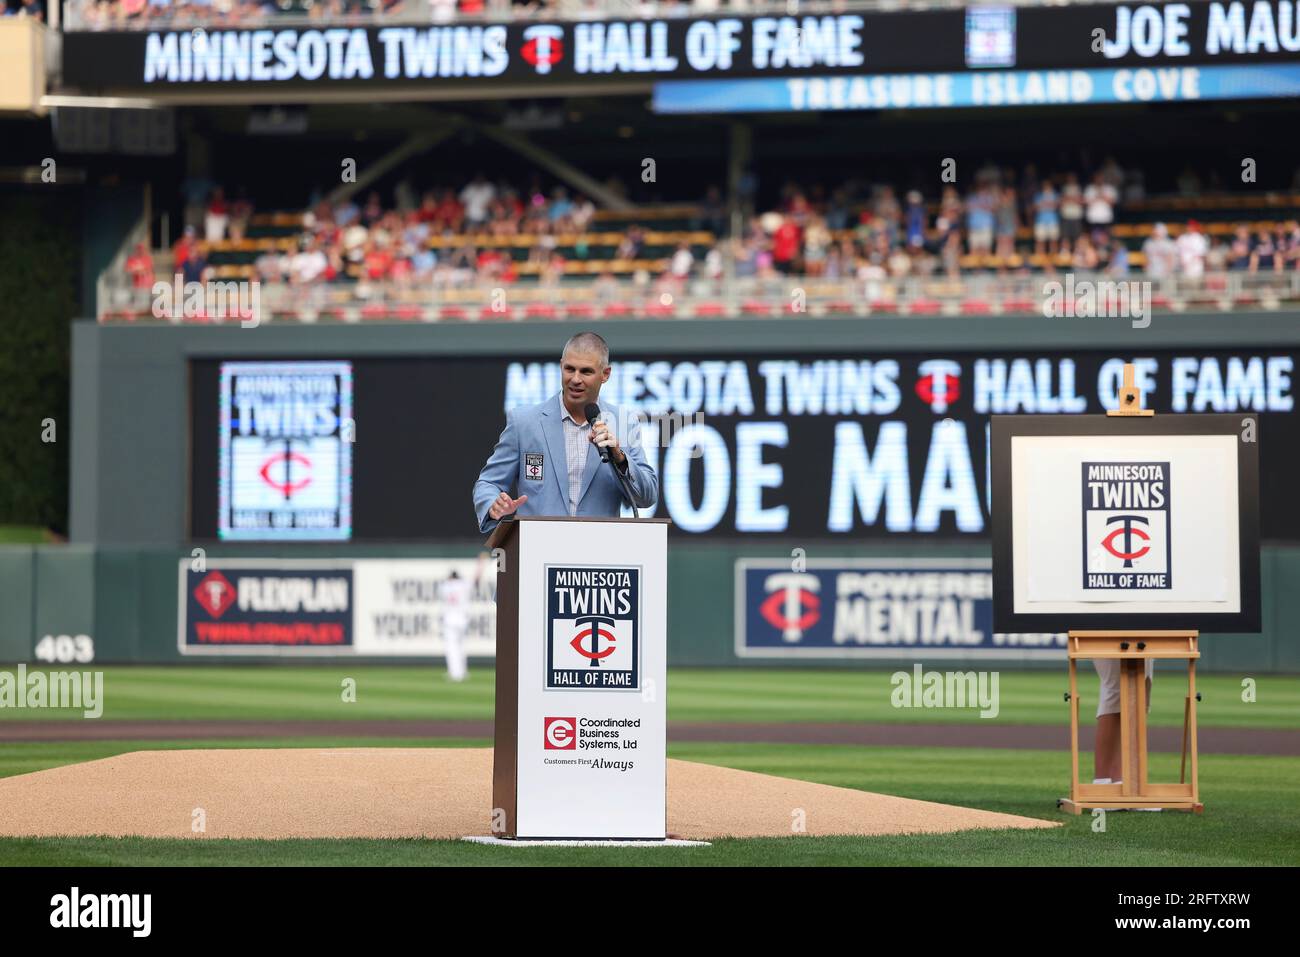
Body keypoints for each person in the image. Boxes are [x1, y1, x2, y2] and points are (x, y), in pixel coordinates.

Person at [473, 332, 658, 534]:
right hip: (537, 553)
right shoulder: (524, 422)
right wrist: (493, 505)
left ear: (605, 374)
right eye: (570, 369)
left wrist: (619, 456)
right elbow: (488, 482)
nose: (575, 379)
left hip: (600, 556)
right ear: (561, 366)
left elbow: (647, 496)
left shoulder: (624, 422)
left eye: (586, 372)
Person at [438, 569, 472, 682]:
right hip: (462, 619)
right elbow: (476, 579)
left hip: (450, 619)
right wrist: (481, 563)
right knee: (462, 647)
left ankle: (455, 673)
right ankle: (462, 672)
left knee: (452, 648)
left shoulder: (445, 586)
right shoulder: (464, 585)